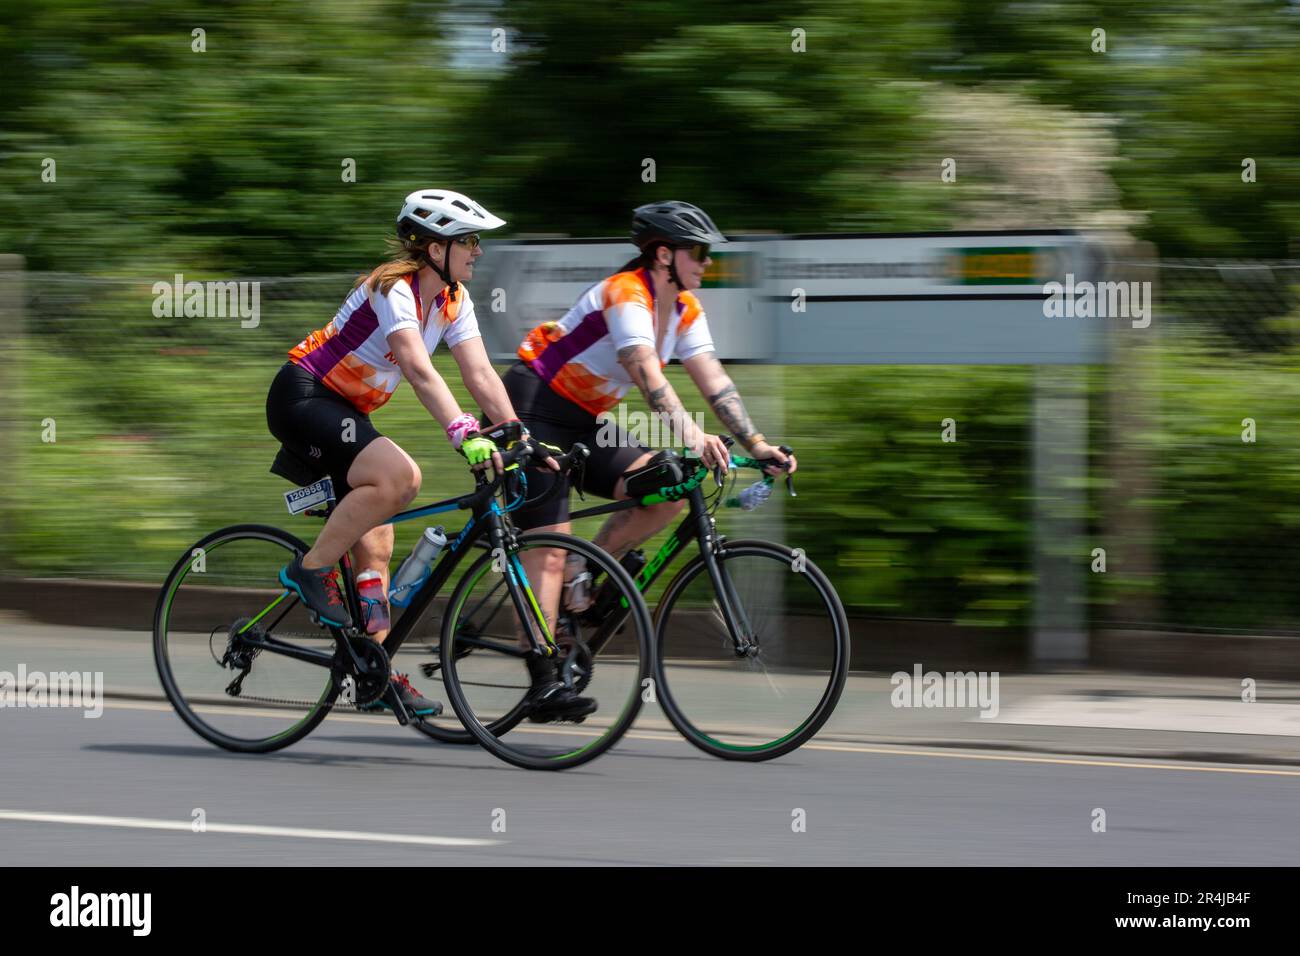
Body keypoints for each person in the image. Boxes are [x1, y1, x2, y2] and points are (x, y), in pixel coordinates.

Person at [266, 188, 568, 720]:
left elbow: (478, 374)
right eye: (469, 241)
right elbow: (417, 366)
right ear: (435, 249)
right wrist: (464, 433)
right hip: (304, 396)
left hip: (347, 413)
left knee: (377, 544)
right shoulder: (392, 288)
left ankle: (373, 667)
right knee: (401, 478)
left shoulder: (453, 300)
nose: (478, 251)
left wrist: (518, 433)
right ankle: (310, 570)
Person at [503, 200, 797, 714]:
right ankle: (541, 681)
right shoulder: (626, 293)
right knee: (548, 546)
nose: (707, 263)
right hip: (535, 405)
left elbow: (715, 381)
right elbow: (646, 374)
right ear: (664, 255)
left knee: (667, 490)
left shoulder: (684, 309)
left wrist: (758, 445)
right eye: (699, 253)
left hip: (585, 421)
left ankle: (585, 575)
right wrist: (693, 434)